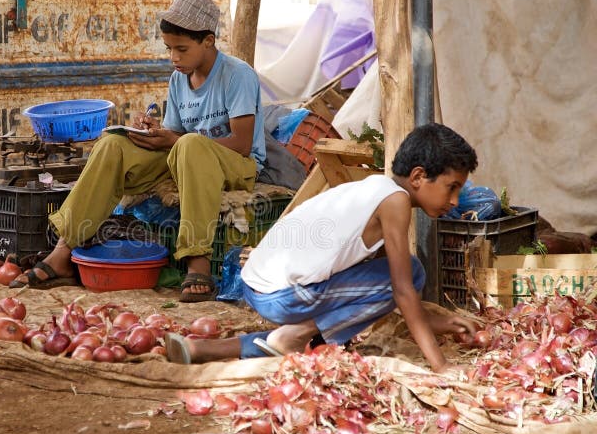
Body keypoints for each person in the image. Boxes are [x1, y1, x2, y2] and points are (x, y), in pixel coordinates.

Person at [10, 0, 267, 303]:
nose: (174, 57)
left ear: (209, 41)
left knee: (190, 145)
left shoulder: (236, 75)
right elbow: (175, 134)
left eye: (182, 49)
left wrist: (174, 140)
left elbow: (241, 143)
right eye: (170, 49)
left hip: (235, 165)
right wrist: (152, 131)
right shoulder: (178, 79)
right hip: (187, 156)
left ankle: (196, 259)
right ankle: (62, 252)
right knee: (113, 144)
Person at [165, 123, 479, 373]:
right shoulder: (394, 202)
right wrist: (441, 366)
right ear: (419, 177)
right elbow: (400, 290)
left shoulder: (373, 188)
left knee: (396, 278)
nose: (454, 201)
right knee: (412, 272)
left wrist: (438, 323)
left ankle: (201, 349)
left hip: (260, 286)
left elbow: (373, 287)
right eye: (452, 187)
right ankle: (296, 335)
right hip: (283, 295)